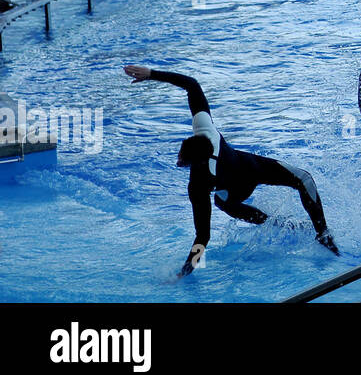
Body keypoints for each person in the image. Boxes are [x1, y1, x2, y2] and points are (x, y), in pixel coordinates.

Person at [122, 64, 338, 277]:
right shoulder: (204, 128)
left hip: (245, 177)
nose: (178, 162)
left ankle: (321, 234)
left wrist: (184, 272)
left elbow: (202, 238)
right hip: (241, 177)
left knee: (232, 199)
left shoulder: (198, 185)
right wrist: (151, 74)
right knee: (295, 180)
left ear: (195, 163)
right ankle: (284, 226)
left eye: (183, 160)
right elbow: (192, 85)